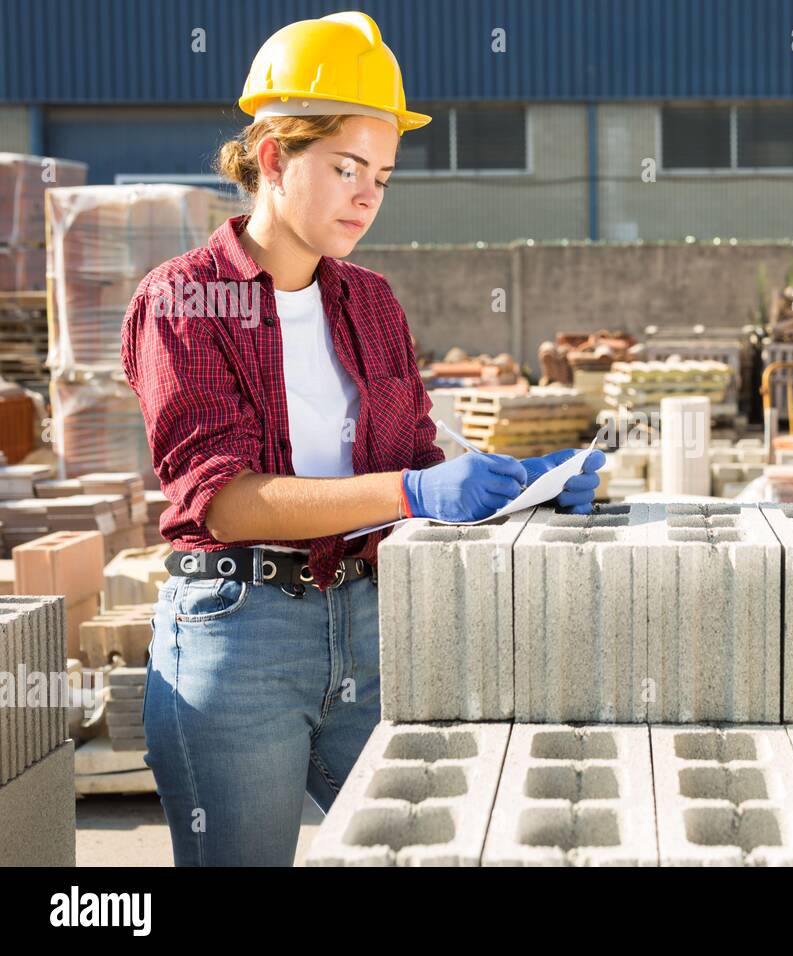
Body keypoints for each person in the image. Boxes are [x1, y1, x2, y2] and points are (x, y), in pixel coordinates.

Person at [119, 11, 604, 866]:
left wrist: (522, 484)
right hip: (240, 637)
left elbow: (416, 460)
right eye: (346, 168)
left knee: (431, 847)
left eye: (381, 175)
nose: (367, 196)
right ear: (272, 156)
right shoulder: (186, 301)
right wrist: (412, 493)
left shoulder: (370, 301)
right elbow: (224, 501)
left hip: (371, 624)